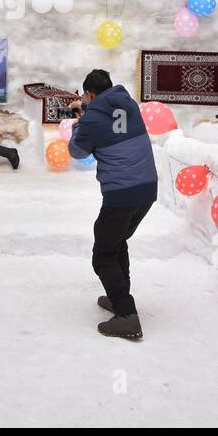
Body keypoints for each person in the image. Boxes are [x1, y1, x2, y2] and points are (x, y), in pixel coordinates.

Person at [67, 70, 158, 341]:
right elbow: (111, 123)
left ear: (90, 94)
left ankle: (127, 315)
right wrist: (88, 111)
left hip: (122, 193)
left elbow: (78, 152)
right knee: (117, 242)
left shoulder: (92, 118)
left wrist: (78, 124)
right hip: (147, 189)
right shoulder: (127, 103)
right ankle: (119, 298)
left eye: (85, 95)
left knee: (103, 254)